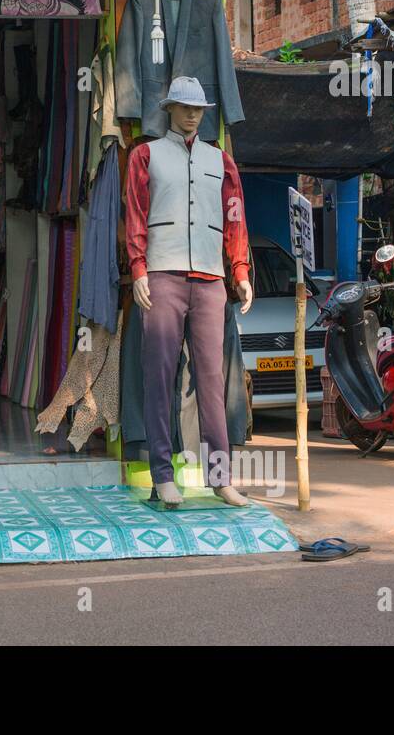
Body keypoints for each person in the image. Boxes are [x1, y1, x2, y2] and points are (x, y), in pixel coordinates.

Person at [124, 76, 253, 510]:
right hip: (163, 274)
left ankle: (220, 477)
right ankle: (163, 475)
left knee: (211, 379)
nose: (192, 114)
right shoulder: (146, 155)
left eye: (197, 108)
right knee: (159, 375)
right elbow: (136, 214)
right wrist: (138, 267)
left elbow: (235, 219)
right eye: (183, 107)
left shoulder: (221, 161)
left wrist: (240, 271)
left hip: (210, 280)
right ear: (170, 110)